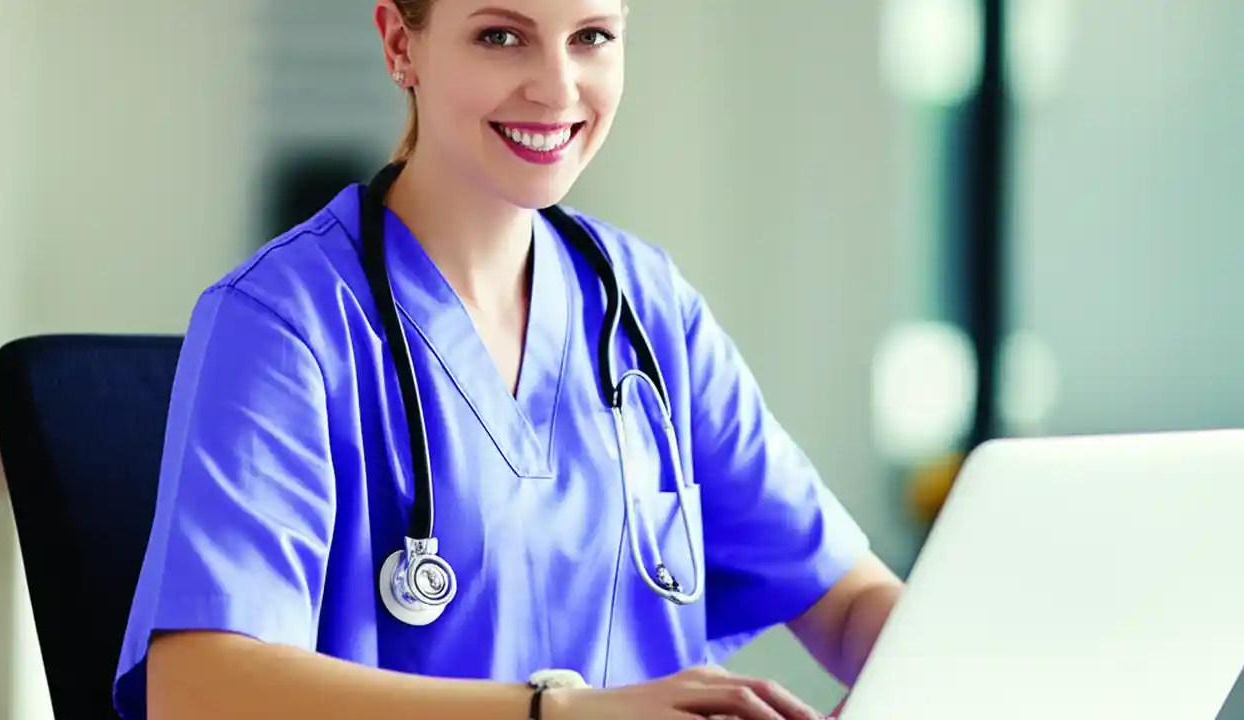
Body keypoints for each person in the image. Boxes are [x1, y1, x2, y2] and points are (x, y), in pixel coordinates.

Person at [112, 0, 905, 718]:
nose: (558, 90)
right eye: (502, 37)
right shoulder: (285, 324)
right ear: (400, 45)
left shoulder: (646, 308)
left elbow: (843, 598)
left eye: (591, 38)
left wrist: (952, 670)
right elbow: (197, 689)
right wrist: (552, 714)